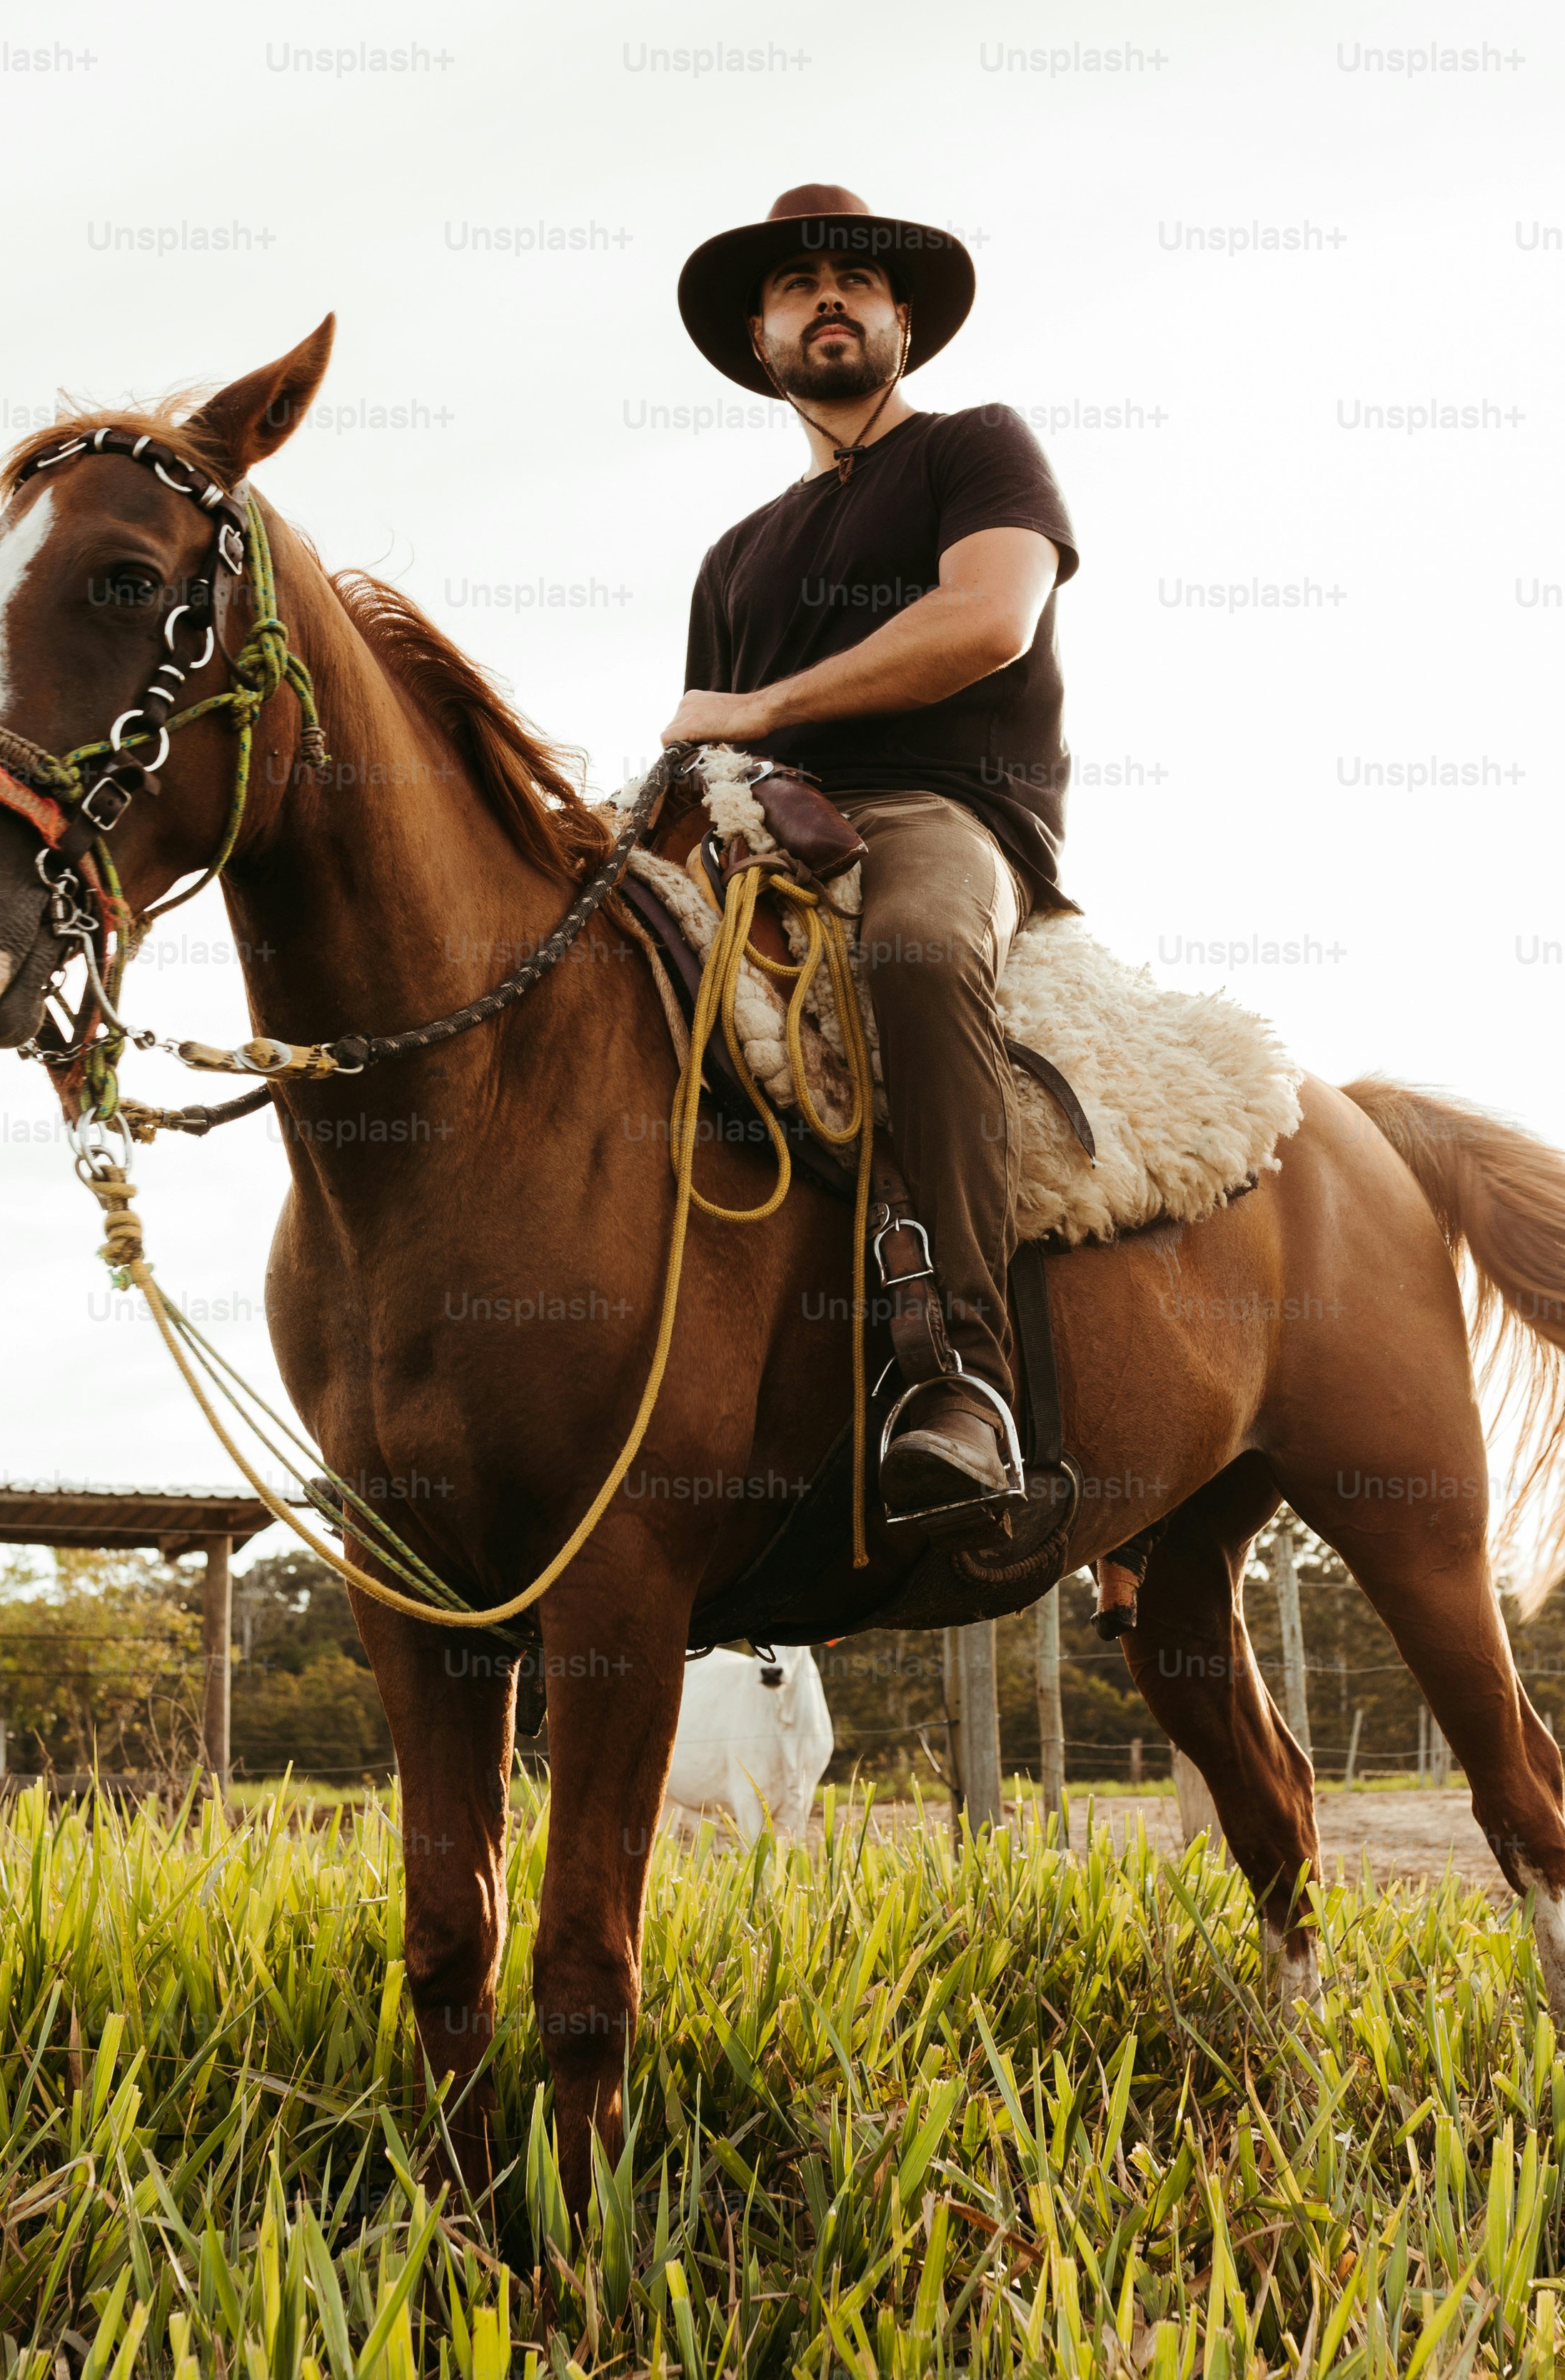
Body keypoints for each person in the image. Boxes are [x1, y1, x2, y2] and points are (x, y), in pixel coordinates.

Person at [665, 184, 1080, 1534]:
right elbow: (702, 745)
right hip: (756, 823)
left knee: (906, 948)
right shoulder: (734, 554)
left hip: (943, 808)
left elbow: (989, 622)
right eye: (798, 286)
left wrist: (766, 708)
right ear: (761, 338)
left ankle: (970, 1375)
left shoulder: (976, 447)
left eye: (857, 279)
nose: (829, 296)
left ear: (903, 321)